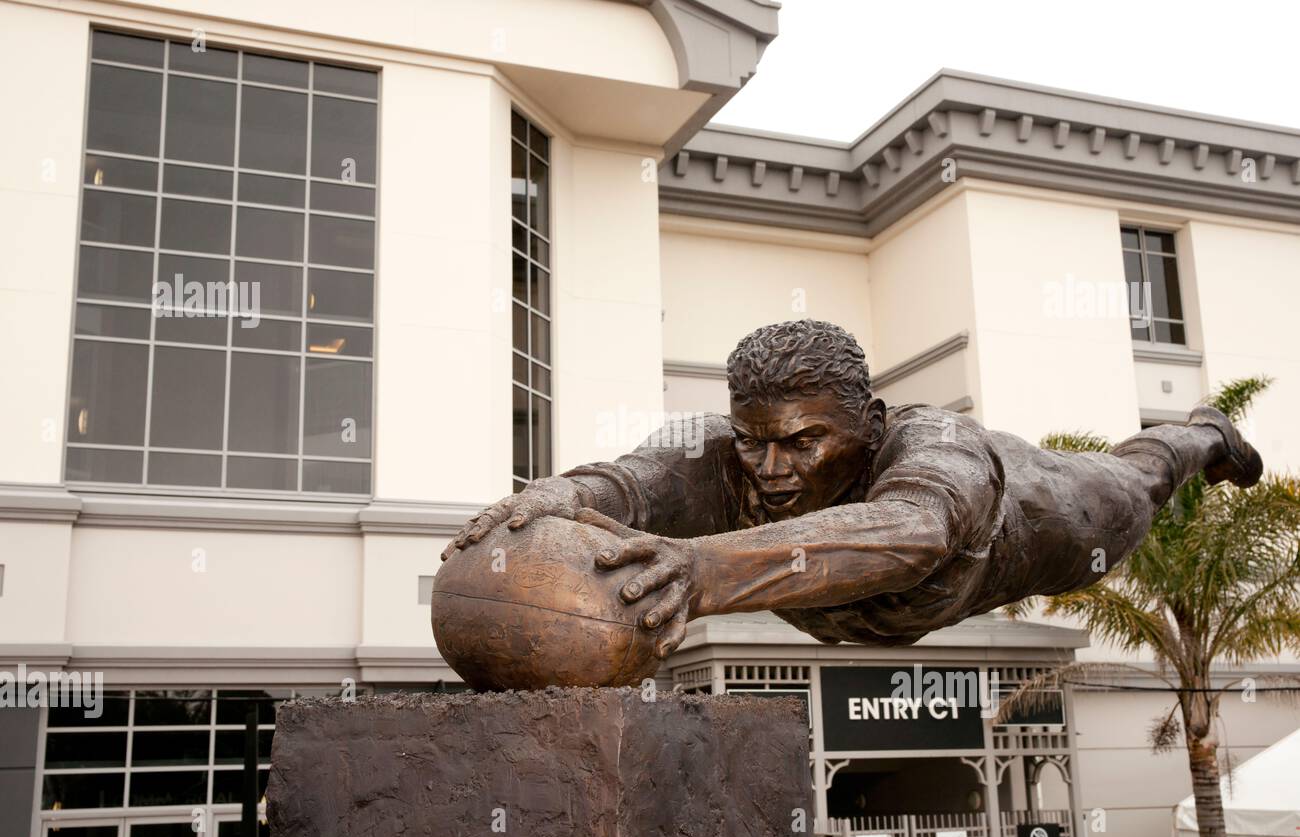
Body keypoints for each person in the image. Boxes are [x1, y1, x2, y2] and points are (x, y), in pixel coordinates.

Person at [442, 320, 1262, 660]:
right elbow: (630, 483)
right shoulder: (717, 448)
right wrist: (549, 495)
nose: (770, 470)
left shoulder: (937, 446)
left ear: (868, 424)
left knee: (1137, 480)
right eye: (755, 441)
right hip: (852, 612)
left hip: (1045, 523)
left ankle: (1202, 434)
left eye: (805, 443)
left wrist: (704, 571)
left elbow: (914, 531)